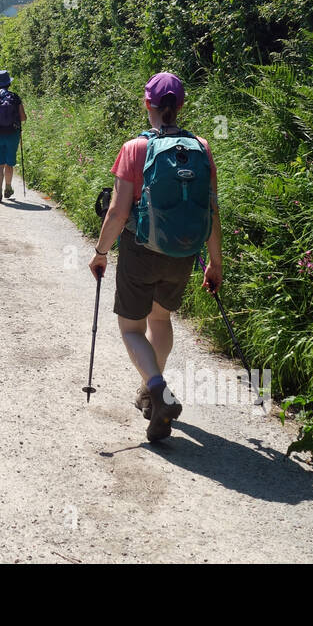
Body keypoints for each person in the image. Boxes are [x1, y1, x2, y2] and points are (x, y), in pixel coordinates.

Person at [88, 72, 223, 442]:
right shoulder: (202, 147)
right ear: (180, 105)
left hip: (140, 250)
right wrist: (215, 262)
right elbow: (211, 210)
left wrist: (100, 253)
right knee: (160, 320)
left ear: (147, 105)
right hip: (182, 252)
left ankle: (157, 389)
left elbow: (117, 213)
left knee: (131, 328)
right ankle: (152, 392)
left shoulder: (134, 149)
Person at [0, 70, 26, 202]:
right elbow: (23, 118)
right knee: (9, 164)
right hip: (12, 135)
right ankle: (8, 187)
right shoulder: (15, 97)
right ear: (9, 83)